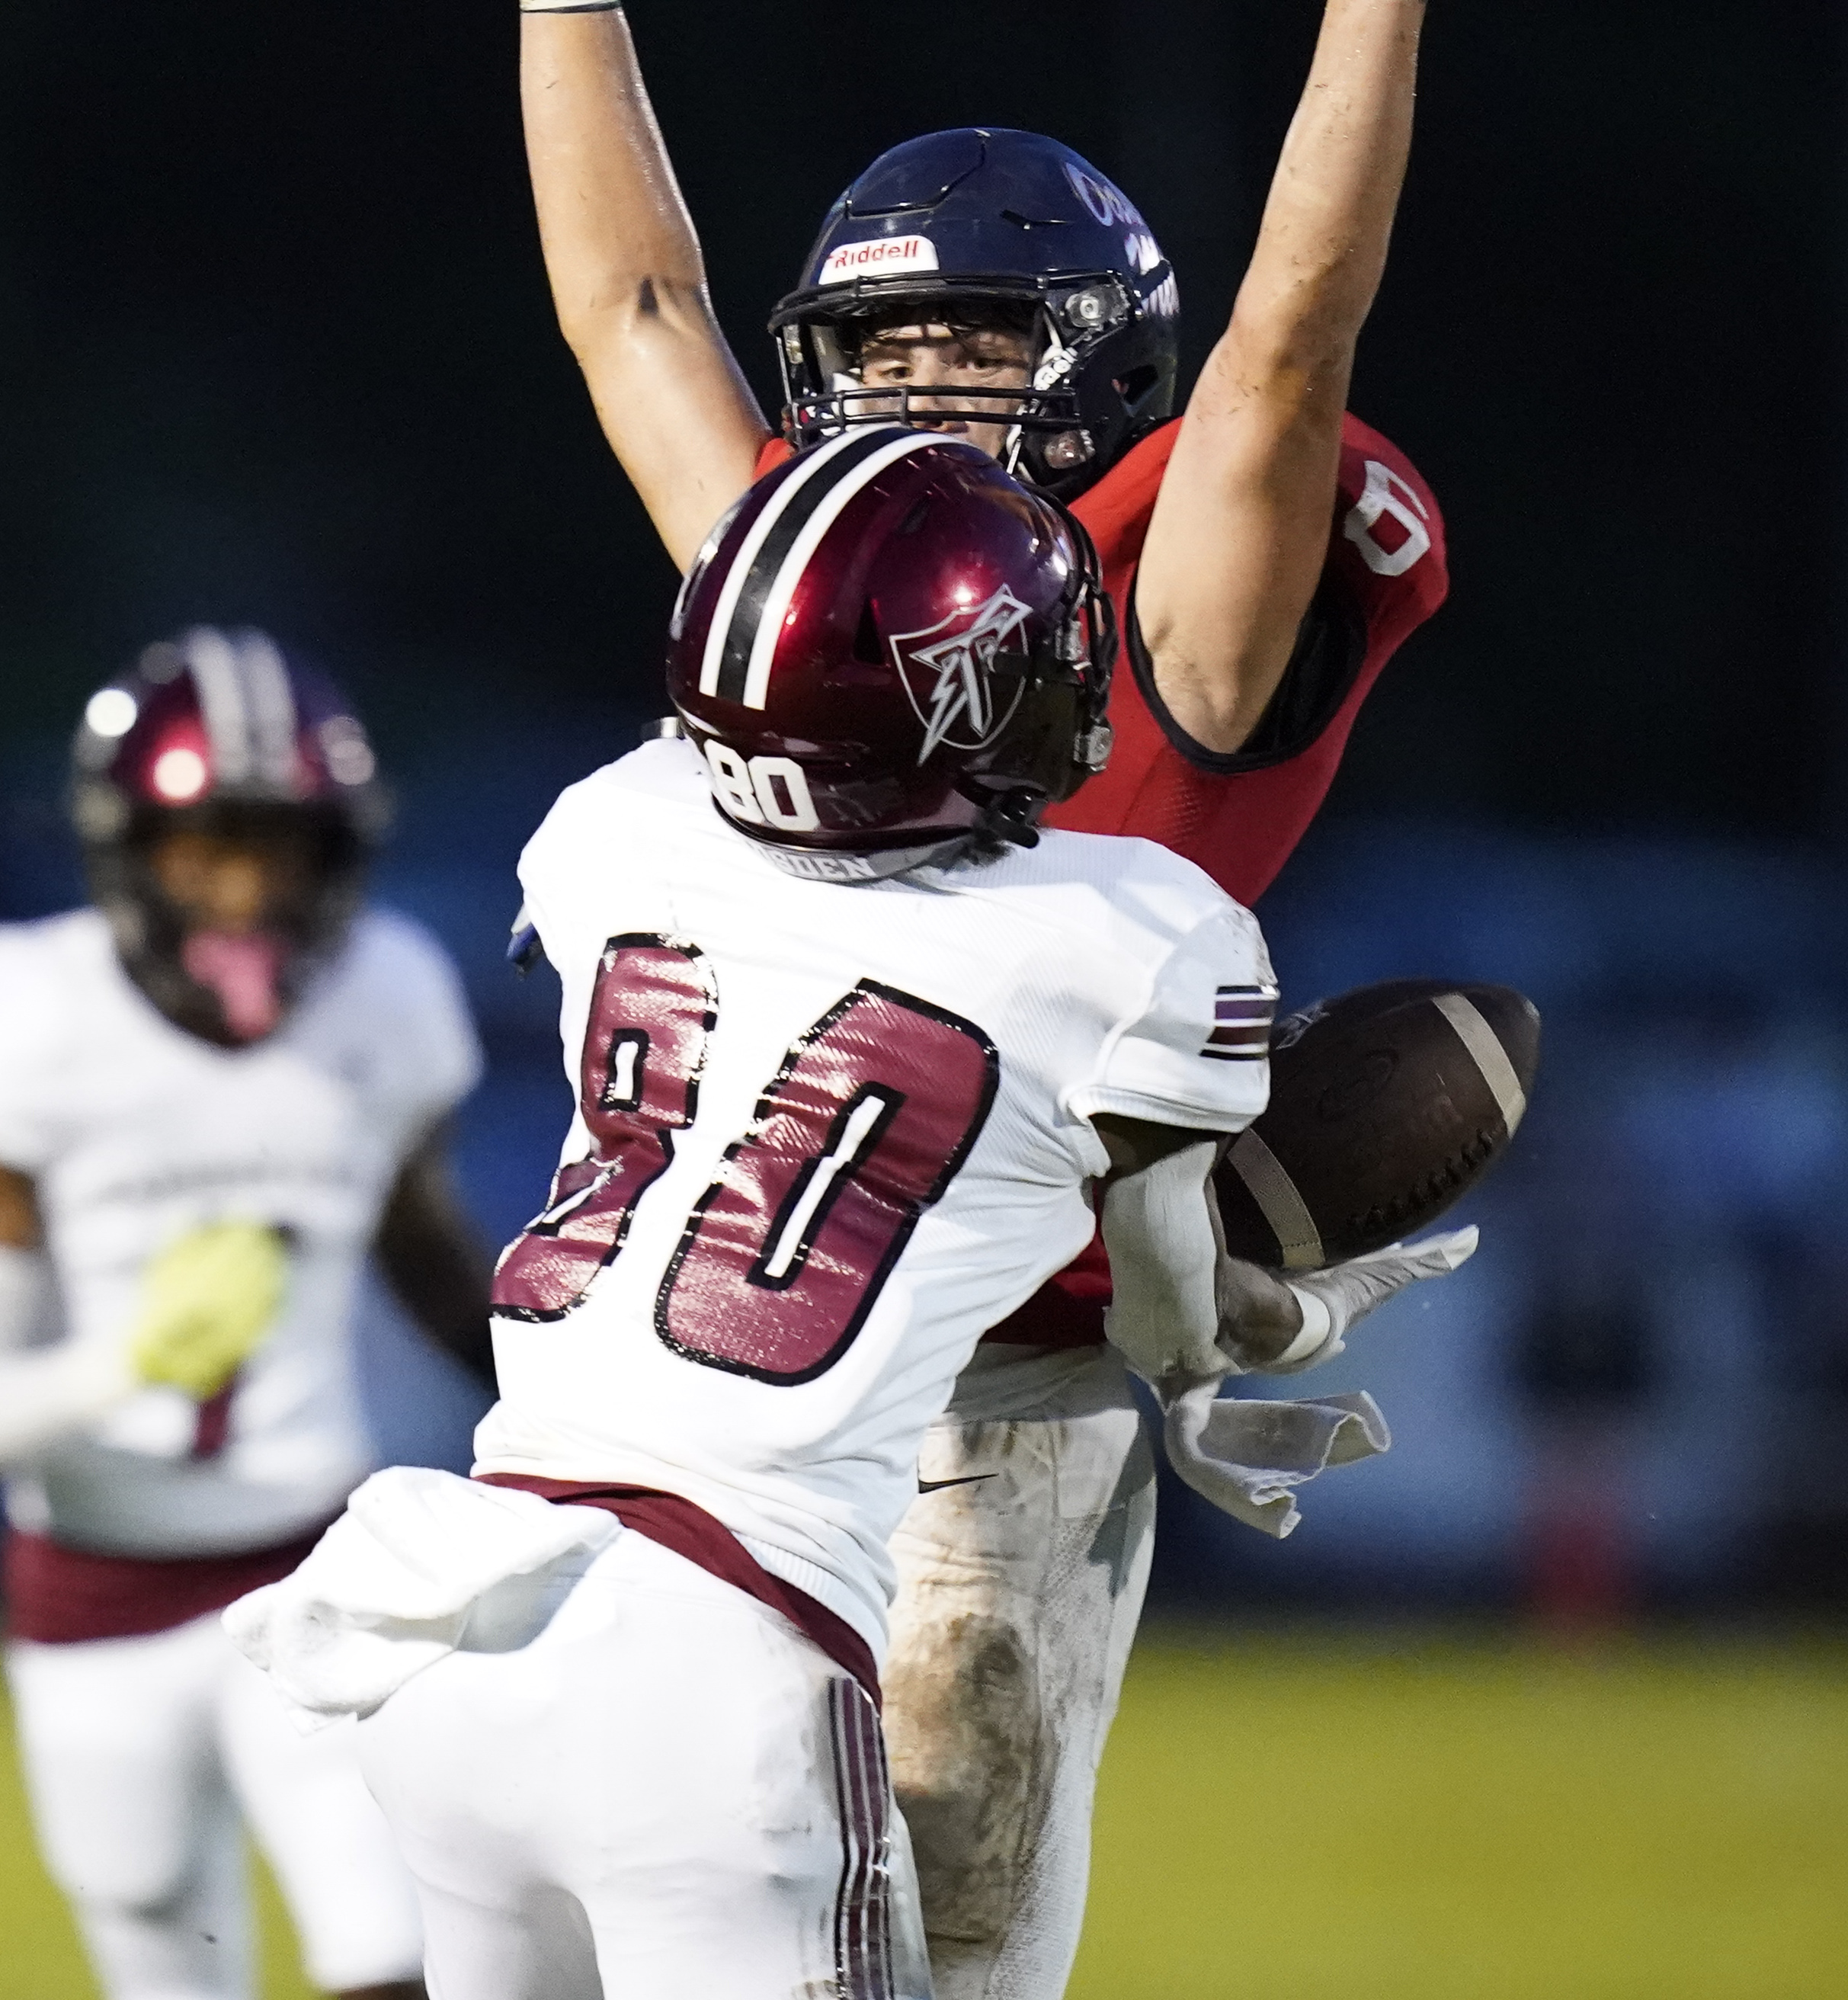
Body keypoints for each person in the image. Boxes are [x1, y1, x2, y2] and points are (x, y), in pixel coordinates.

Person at [229, 437, 1467, 2000]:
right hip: (713, 1656)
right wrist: (1271, 1323)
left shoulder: (610, 830)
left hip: (453, 1629)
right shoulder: (1130, 937)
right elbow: (1166, 1312)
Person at [516, 6, 1443, 1991]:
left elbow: (1290, 333)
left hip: (999, 1385)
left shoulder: (1161, 604)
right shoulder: (813, 583)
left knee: (935, 1947)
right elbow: (629, 304)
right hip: (698, 1390)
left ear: (1110, 377)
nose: (921, 396)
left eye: (981, 346)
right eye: (880, 354)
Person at [0, 629, 495, 2000]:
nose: (243, 895)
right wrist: (125, 1366)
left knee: (391, 1949)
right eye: (204, 850)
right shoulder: (30, 1022)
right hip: (92, 1593)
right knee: (163, 1954)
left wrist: (566, 1420)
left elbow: (424, 1250)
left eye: (280, 852)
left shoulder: (388, 993)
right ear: (126, 849)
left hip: (307, 1565)